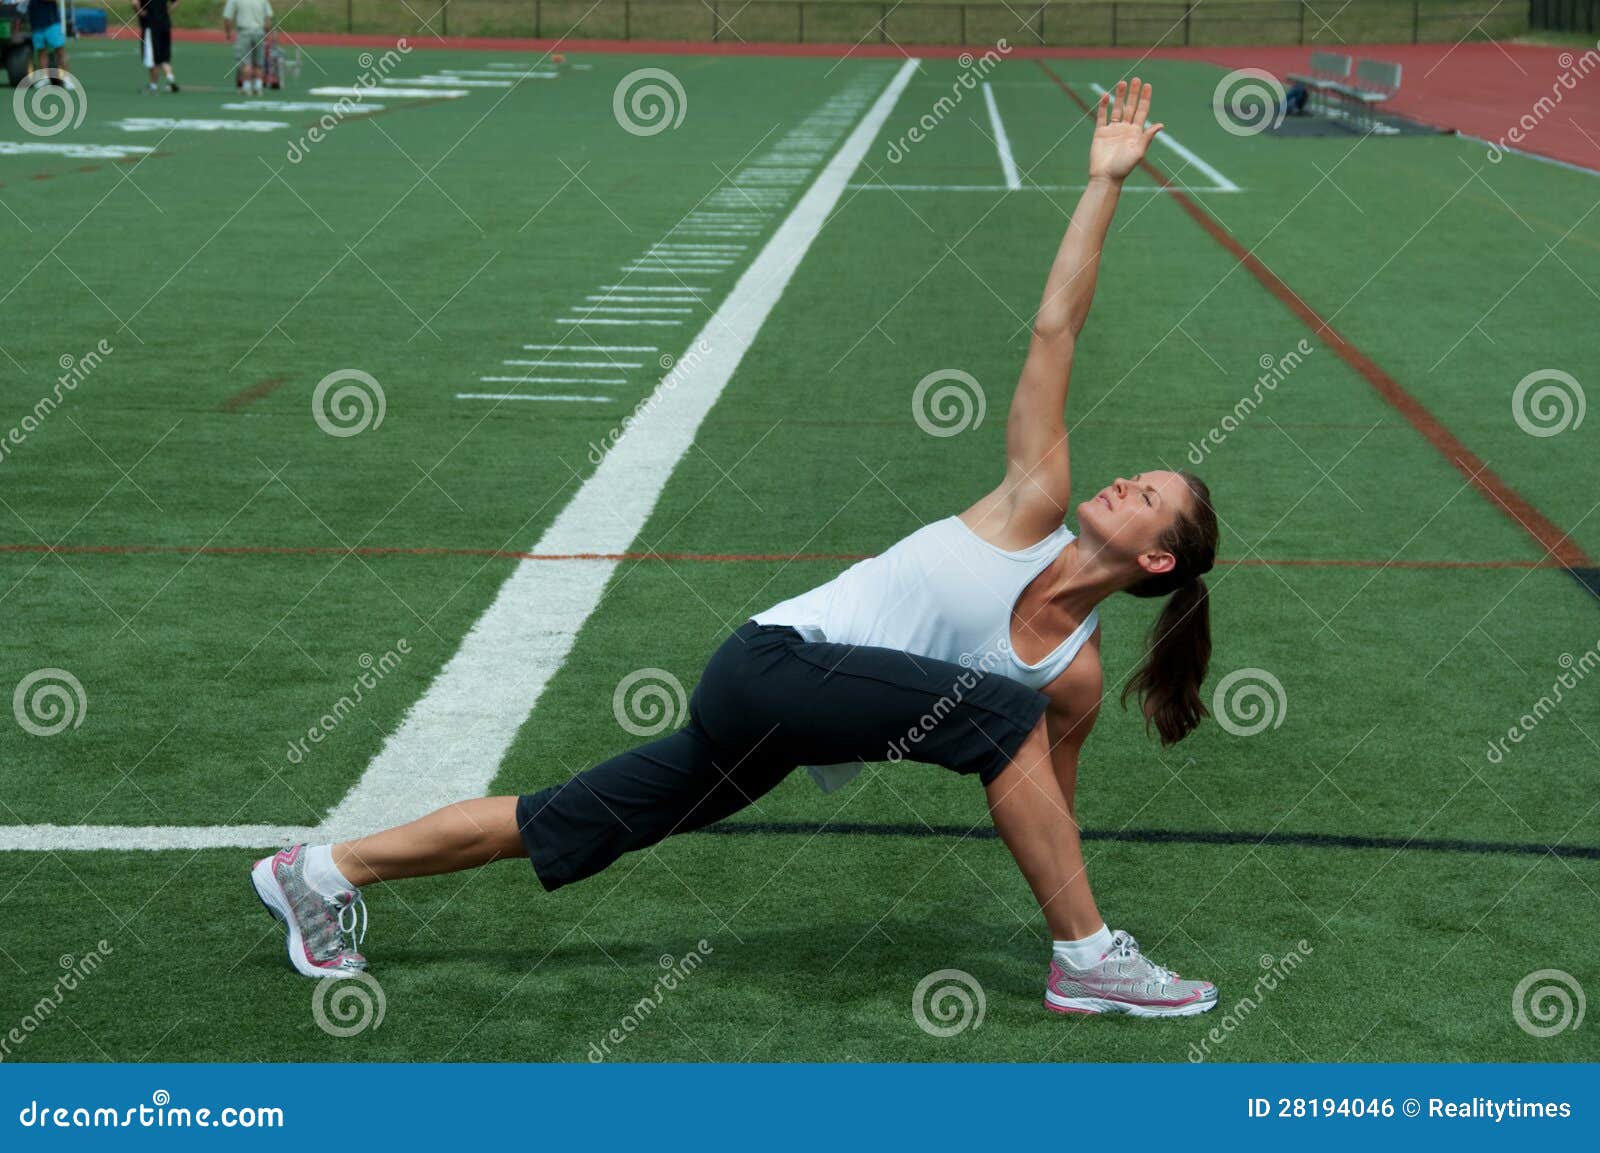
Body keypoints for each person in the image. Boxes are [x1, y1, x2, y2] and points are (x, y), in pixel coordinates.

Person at [250, 80, 1221, 1019]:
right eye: (1137, 472)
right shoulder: (1030, 503)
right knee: (996, 717)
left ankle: (322, 871)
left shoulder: (1073, 677)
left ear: (1158, 561)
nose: (1124, 481)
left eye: (1148, 497)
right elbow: (1056, 328)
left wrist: (1062, 887)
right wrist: (1105, 182)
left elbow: (1053, 804)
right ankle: (1089, 965)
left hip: (781, 733)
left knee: (565, 819)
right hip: (768, 667)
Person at [222, 0, 272, 95]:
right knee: (258, 62)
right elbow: (268, 19)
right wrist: (266, 33)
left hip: (244, 32)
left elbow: (227, 18)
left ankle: (247, 86)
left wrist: (228, 33)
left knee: (245, 62)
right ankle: (258, 86)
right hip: (259, 32)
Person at [133, 0, 177, 93]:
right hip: (165, 25)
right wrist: (167, 12)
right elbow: (176, 2)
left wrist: (141, 13)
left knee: (152, 57)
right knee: (163, 56)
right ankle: (170, 78)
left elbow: (135, 3)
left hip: (151, 26)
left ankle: (153, 85)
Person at [27, 0, 69, 83]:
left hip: (52, 23)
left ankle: (66, 77)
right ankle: (44, 78)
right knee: (41, 51)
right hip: (36, 24)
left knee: (59, 50)